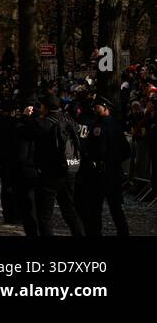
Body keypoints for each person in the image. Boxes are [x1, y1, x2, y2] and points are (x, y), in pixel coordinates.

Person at [23, 94, 85, 237]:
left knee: (44, 216)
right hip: (70, 169)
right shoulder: (68, 119)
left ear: (45, 107)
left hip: (50, 173)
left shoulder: (44, 123)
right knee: (70, 211)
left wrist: (26, 117)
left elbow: (27, 132)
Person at [76, 95, 129, 237]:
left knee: (100, 208)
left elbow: (92, 149)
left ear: (105, 107)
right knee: (112, 208)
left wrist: (107, 160)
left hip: (102, 173)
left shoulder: (100, 125)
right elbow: (126, 151)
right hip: (110, 173)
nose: (95, 109)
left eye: (97, 106)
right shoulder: (114, 124)